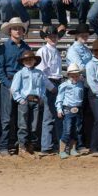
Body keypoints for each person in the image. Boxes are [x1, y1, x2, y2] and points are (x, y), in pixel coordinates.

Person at [0, 18, 31, 156]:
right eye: (15, 28)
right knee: (6, 117)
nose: (17, 31)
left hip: (22, 86)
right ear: (10, 31)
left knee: (21, 117)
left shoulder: (26, 48)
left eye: (20, 28)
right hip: (8, 84)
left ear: (23, 31)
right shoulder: (2, 48)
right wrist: (9, 85)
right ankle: (3, 146)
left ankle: (20, 145)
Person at [10, 50, 48, 156]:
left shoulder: (39, 73)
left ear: (35, 61)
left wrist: (42, 97)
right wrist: (20, 99)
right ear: (23, 62)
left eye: (31, 59)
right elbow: (14, 88)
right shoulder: (20, 73)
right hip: (24, 101)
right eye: (26, 60)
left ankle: (30, 147)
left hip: (36, 100)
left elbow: (43, 86)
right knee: (23, 125)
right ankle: (22, 147)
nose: (28, 61)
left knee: (34, 125)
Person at [35, 26, 63, 156]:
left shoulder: (56, 51)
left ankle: (51, 144)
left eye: (54, 36)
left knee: (55, 114)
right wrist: (50, 87)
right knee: (49, 115)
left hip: (57, 81)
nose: (53, 38)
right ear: (46, 38)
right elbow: (41, 72)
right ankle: (46, 146)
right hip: (50, 83)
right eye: (50, 36)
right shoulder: (43, 51)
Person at [55, 64, 84, 159]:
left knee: (76, 129)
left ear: (79, 75)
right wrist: (59, 109)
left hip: (78, 109)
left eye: (77, 75)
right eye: (72, 76)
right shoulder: (64, 85)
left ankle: (72, 149)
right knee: (67, 129)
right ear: (68, 75)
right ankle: (62, 150)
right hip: (67, 109)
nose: (75, 78)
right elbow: (59, 98)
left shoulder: (81, 84)